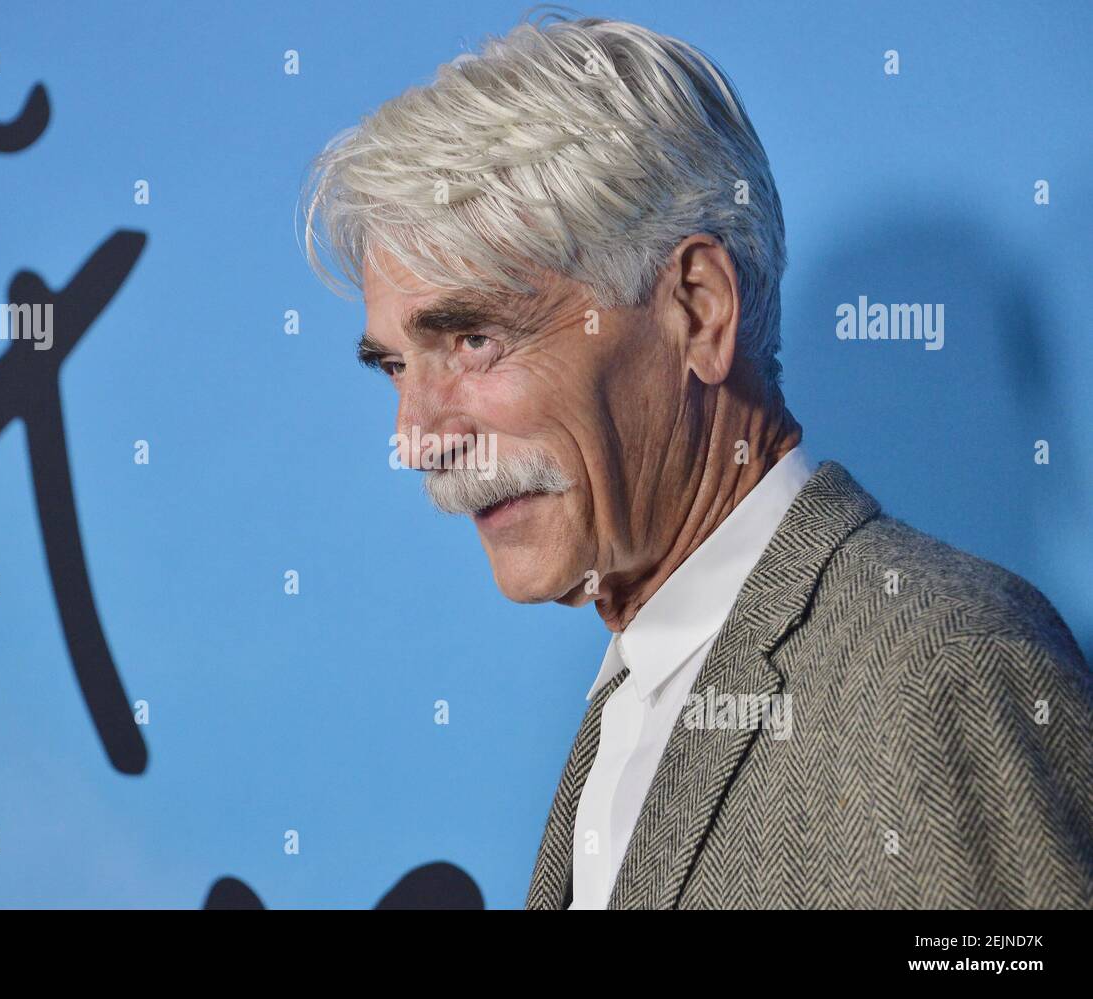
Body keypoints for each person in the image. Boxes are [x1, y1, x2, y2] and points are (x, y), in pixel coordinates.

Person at [299, 14, 1093, 908]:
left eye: (475, 339)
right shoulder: (637, 691)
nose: (419, 436)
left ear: (700, 308)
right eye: (398, 367)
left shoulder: (939, 666)